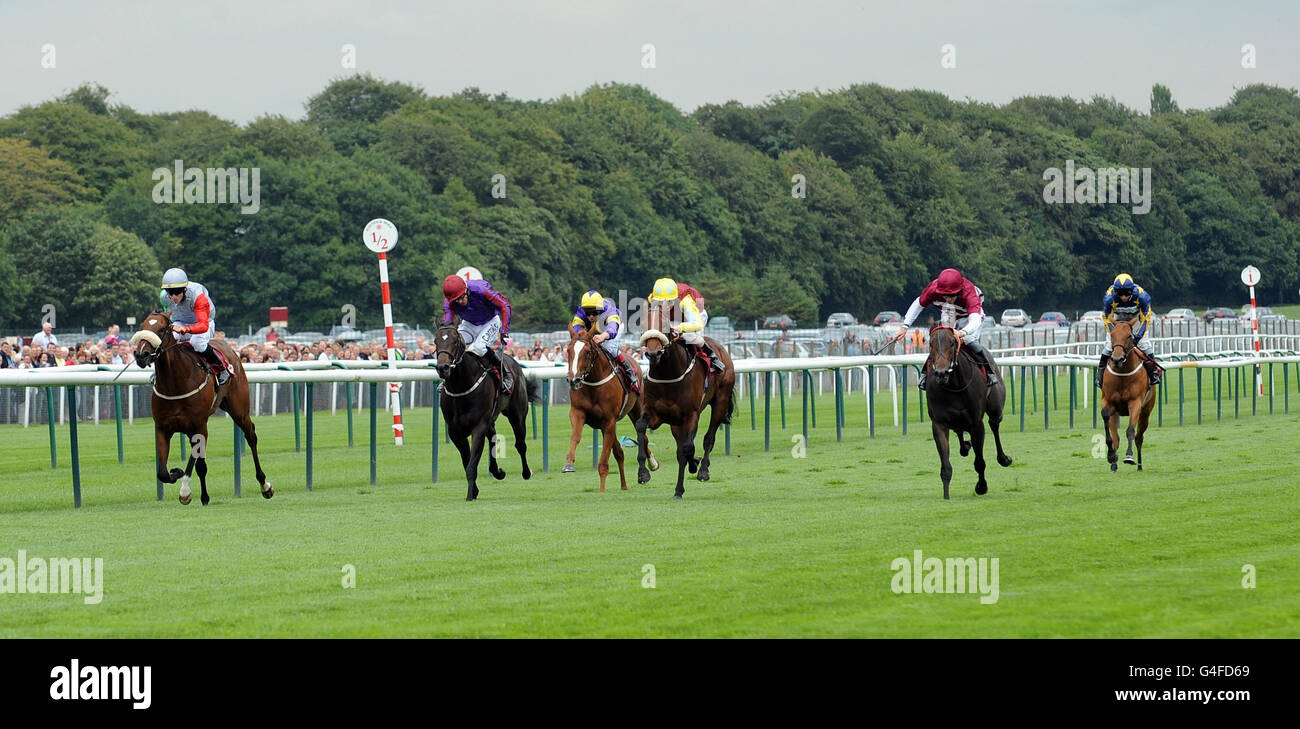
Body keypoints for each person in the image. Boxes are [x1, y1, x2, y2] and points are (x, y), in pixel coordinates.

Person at [898, 268, 998, 390]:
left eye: (952, 295)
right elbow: (918, 304)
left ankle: (989, 372)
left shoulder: (969, 292)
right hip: (949, 313)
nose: (948, 299)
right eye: (945, 295)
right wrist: (905, 326)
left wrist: (962, 332)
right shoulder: (933, 288)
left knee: (968, 340)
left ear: (959, 290)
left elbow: (975, 319)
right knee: (941, 341)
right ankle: (925, 373)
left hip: (969, 317)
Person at [442, 273, 514, 394]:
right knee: (456, 344)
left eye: (461, 297)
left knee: (479, 348)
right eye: (456, 300)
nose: (460, 302)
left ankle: (504, 372)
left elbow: (504, 305)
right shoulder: (449, 302)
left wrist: (504, 332)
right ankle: (448, 379)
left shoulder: (480, 290)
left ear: (466, 290)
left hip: (490, 321)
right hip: (469, 323)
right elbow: (447, 323)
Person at [158, 267, 229, 385]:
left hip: (204, 322)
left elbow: (203, 326)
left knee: (197, 343)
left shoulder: (198, 297)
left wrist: (186, 329)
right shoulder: (164, 297)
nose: (174, 296)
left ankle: (221, 368)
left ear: (185, 289)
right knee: (168, 338)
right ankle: (160, 371)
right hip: (180, 321)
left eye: (177, 292)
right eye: (170, 292)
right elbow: (169, 315)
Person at [648, 277, 724, 373]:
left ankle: (711, 356)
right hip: (674, 317)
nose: (665, 306)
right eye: (660, 303)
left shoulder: (686, 301)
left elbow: (697, 324)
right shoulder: (653, 298)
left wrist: (677, 328)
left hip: (695, 316)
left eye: (669, 302)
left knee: (690, 336)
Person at [1098, 273, 1161, 387]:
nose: (1123, 297)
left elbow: (1146, 319)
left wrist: (1137, 337)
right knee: (1108, 347)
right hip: (1117, 320)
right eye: (1120, 293)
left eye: (1126, 293)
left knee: (1144, 345)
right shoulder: (1109, 298)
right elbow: (1107, 319)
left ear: (1131, 290)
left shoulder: (1142, 296)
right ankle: (1100, 376)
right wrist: (1115, 334)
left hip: (1136, 320)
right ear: (1115, 292)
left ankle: (1154, 373)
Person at [570, 289, 639, 393]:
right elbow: (577, 329)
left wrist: (603, 336)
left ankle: (630, 373)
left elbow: (612, 328)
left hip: (614, 326)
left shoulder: (609, 310)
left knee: (608, 346)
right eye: (588, 313)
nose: (591, 316)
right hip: (594, 329)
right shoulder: (581, 311)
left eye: (594, 312)